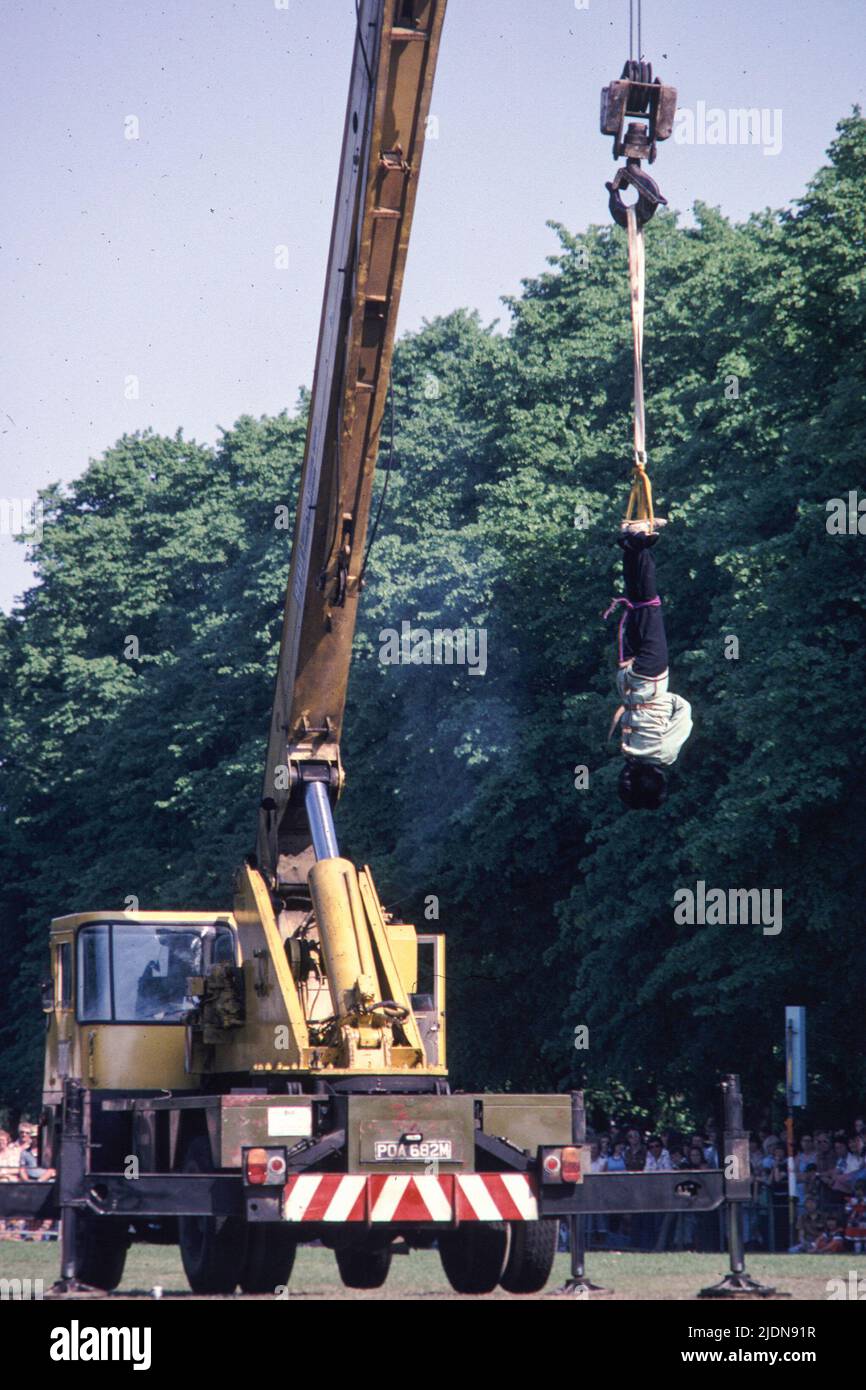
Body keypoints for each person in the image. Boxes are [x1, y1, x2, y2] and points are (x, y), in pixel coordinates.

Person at [605, 522, 692, 811]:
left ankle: (640, 539)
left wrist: (663, 699)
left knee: (649, 605)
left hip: (650, 679)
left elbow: (685, 711)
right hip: (626, 680)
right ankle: (632, 541)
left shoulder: (663, 755)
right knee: (636, 603)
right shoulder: (628, 753)